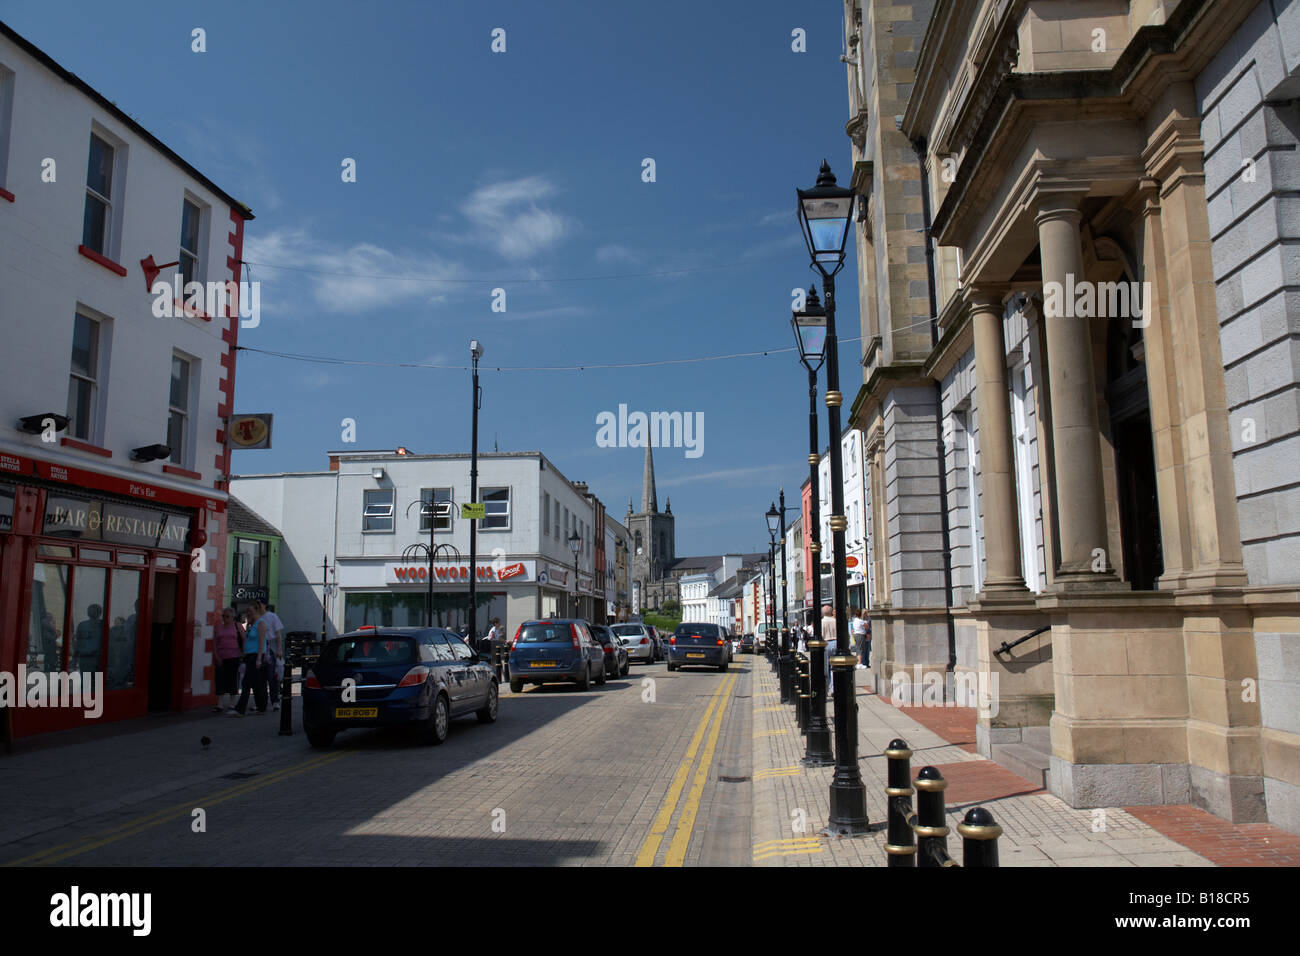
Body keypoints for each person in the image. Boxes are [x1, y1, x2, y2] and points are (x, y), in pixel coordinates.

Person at [232, 603, 268, 716]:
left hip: (255, 656)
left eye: (251, 611)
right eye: (247, 612)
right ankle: (261, 706)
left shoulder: (260, 624)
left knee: (246, 683)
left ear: (257, 612)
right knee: (256, 683)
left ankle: (240, 709)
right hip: (249, 656)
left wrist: (259, 658)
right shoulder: (251, 625)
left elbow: (262, 641)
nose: (248, 614)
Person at [213, 607, 243, 714]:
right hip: (222, 657)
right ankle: (220, 704)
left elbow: (243, 640)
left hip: (234, 656)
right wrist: (216, 656)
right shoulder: (219, 628)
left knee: (233, 679)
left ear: (233, 617)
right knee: (220, 679)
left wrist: (243, 655)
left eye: (227, 616)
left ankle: (232, 703)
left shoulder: (237, 626)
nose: (225, 619)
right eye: (223, 616)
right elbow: (215, 643)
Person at [258, 601, 286, 711]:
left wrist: (279, 649)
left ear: (264, 605)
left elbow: (278, 634)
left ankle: (275, 700)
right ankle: (261, 702)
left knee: (272, 676)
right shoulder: (256, 617)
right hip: (260, 648)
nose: (257, 607)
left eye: (259, 604)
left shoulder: (272, 616)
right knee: (260, 677)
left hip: (270, 648)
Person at [820, 604, 836, 689]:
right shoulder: (835, 620)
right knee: (834, 666)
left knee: (826, 667)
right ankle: (833, 688)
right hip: (835, 642)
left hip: (826, 643)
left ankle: (826, 688)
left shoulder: (822, 622)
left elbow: (821, 635)